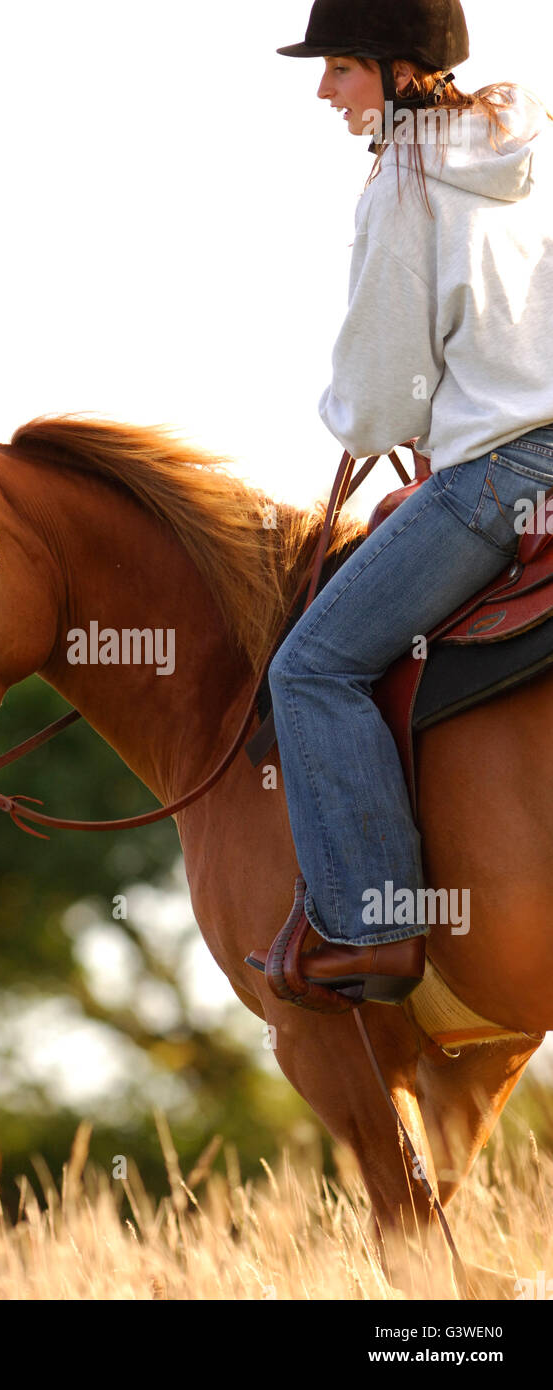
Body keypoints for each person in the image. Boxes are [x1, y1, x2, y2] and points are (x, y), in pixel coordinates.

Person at [253, 0, 553, 1007]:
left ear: (391, 70)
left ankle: (370, 924)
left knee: (311, 665)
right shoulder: (527, 144)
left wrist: (349, 417)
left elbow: (380, 395)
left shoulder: (401, 181)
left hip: (499, 475)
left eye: (338, 68)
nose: (323, 92)